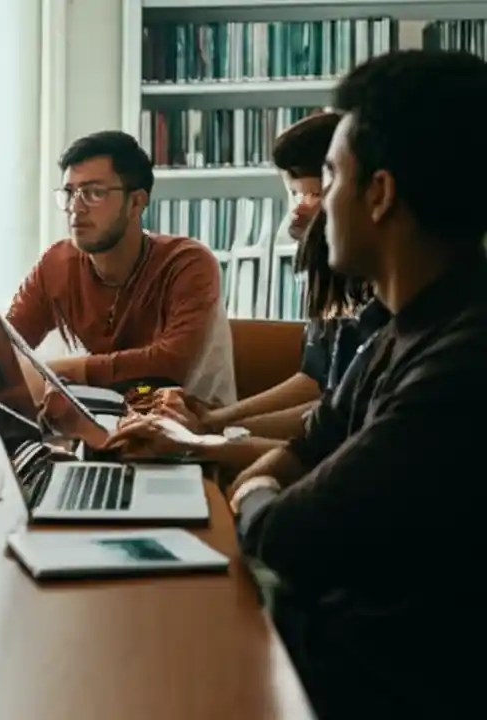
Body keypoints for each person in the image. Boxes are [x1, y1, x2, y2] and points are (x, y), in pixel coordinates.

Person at [232, 50, 487, 718]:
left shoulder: (461, 363)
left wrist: (258, 489)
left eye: (332, 175)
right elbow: (299, 455)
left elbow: (289, 531)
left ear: (379, 194)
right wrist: (271, 483)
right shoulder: (392, 333)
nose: (318, 204)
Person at [106, 114, 386, 479]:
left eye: (315, 193)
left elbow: (328, 425)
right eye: (294, 193)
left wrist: (210, 433)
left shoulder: (383, 307)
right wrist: (213, 422)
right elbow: (318, 388)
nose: (299, 208)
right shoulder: (337, 284)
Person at [9, 131, 236, 410]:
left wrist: (62, 369)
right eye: (69, 193)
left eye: (94, 193)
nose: (75, 208)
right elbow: (6, 345)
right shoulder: (56, 264)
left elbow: (171, 365)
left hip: (189, 429)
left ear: (136, 202)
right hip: (104, 418)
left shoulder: (188, 263)